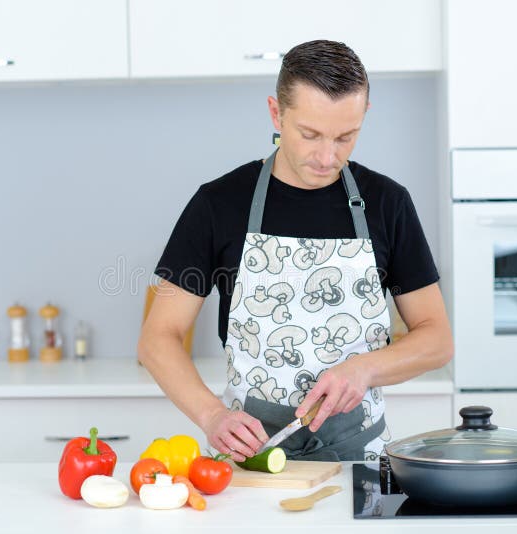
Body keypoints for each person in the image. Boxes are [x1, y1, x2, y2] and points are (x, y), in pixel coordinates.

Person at [138, 40, 453, 462]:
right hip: (249, 454)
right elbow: (159, 337)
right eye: (310, 134)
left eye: (346, 137)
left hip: (358, 457)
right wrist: (212, 415)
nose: (327, 157)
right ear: (276, 113)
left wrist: (364, 368)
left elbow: (437, 339)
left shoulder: (388, 203)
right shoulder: (219, 203)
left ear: (364, 117)